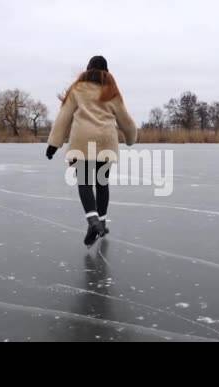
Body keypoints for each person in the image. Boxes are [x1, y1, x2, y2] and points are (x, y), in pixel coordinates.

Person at [46, 56, 137, 248]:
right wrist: (130, 139)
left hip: (82, 141)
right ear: (106, 72)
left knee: (85, 181)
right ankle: (100, 222)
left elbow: (64, 117)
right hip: (106, 141)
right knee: (101, 183)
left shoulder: (77, 89)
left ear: (88, 69)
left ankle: (93, 221)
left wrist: (54, 144)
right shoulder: (111, 92)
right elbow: (125, 120)